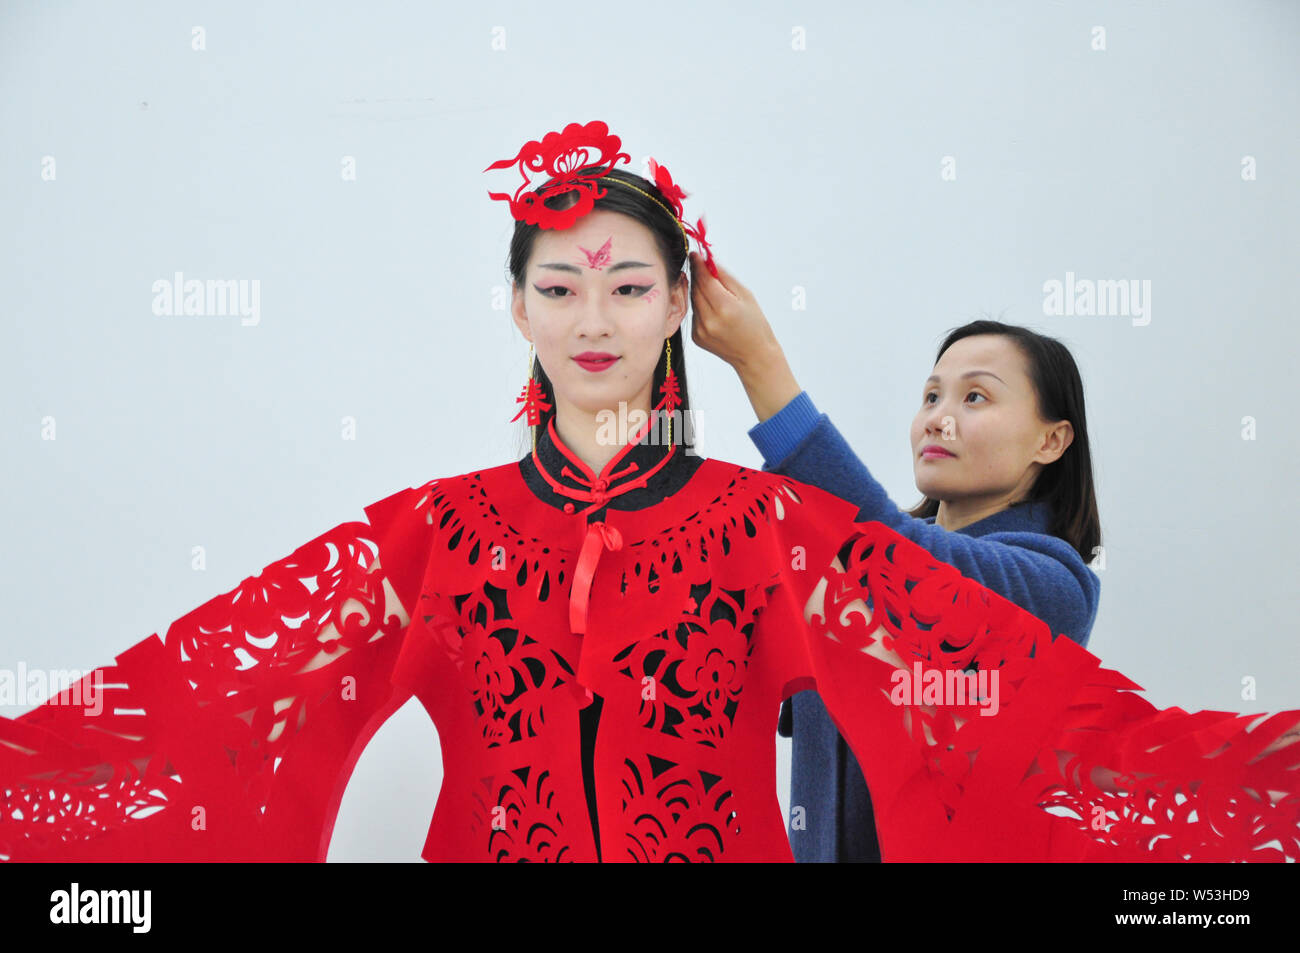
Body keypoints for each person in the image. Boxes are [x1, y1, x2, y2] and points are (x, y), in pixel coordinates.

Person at [1, 121, 1296, 863]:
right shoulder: (428, 533)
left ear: (681, 305)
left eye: (629, 285)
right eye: (559, 286)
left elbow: (990, 678)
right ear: (517, 310)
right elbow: (210, 697)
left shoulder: (768, 525)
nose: (593, 316)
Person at [688, 268, 1102, 861]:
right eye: (931, 396)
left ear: (1051, 441)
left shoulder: (1054, 589)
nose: (939, 416)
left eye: (975, 397)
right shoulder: (831, 583)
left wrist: (760, 363)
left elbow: (900, 561)